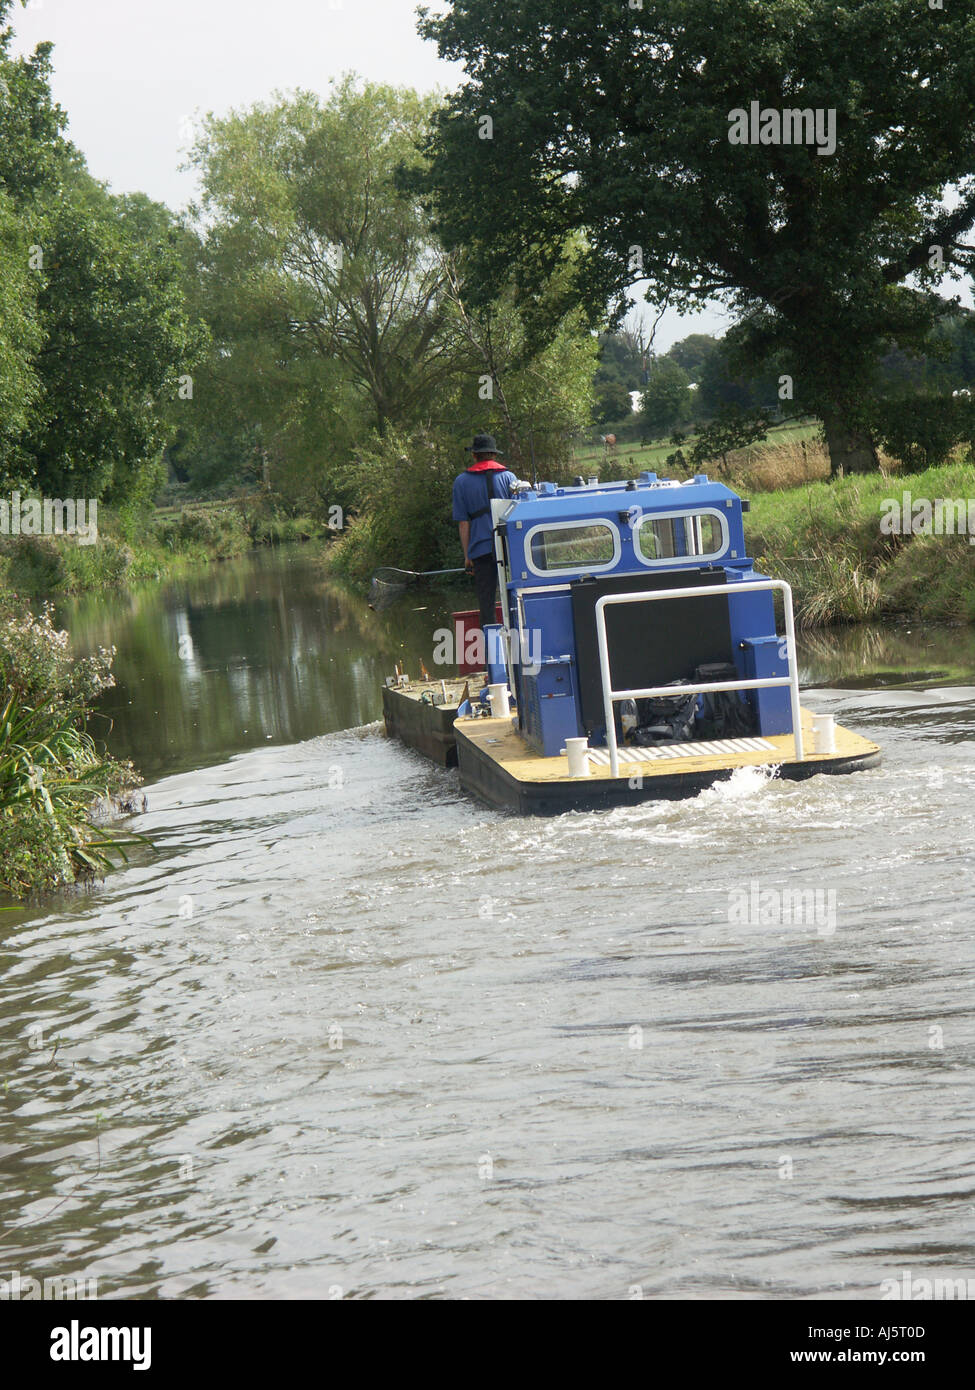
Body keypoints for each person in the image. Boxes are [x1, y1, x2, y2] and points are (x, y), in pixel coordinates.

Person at [452, 433, 518, 631]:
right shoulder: (509, 477)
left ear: (474, 456)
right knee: (513, 595)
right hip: (507, 549)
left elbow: (464, 523)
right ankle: (516, 638)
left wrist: (467, 557)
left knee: (486, 602)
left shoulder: (461, 482)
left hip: (480, 550)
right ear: (494, 455)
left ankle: (492, 654)